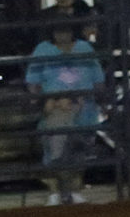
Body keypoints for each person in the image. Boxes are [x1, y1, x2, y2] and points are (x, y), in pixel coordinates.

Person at [24, 18, 105, 204]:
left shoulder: (84, 48)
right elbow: (33, 81)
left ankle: (74, 189)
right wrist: (43, 101)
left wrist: (100, 98)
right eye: (59, 31)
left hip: (84, 107)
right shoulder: (43, 50)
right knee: (54, 150)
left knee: (80, 149)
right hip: (55, 106)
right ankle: (55, 191)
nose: (62, 35)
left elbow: (97, 76)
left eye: (66, 31)